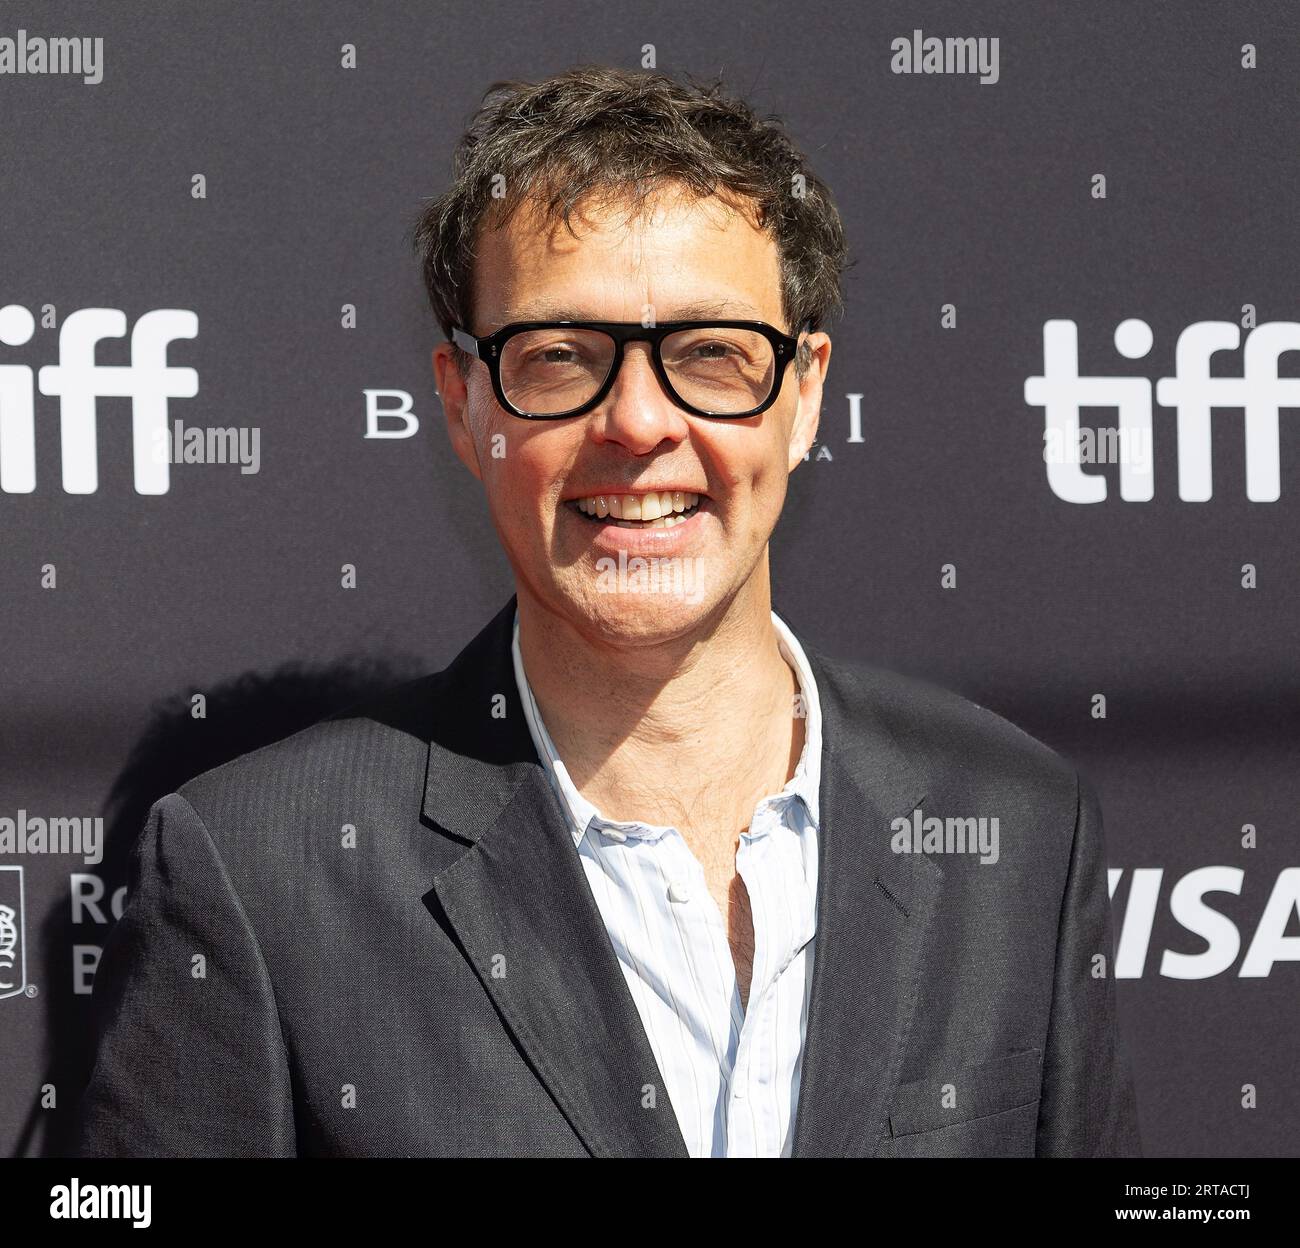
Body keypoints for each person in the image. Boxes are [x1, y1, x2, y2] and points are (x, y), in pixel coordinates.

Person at [76, 65, 1141, 1158]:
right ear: (461, 400)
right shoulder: (260, 871)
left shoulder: (1015, 828)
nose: (637, 423)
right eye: (559, 359)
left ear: (806, 394)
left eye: (712, 357)